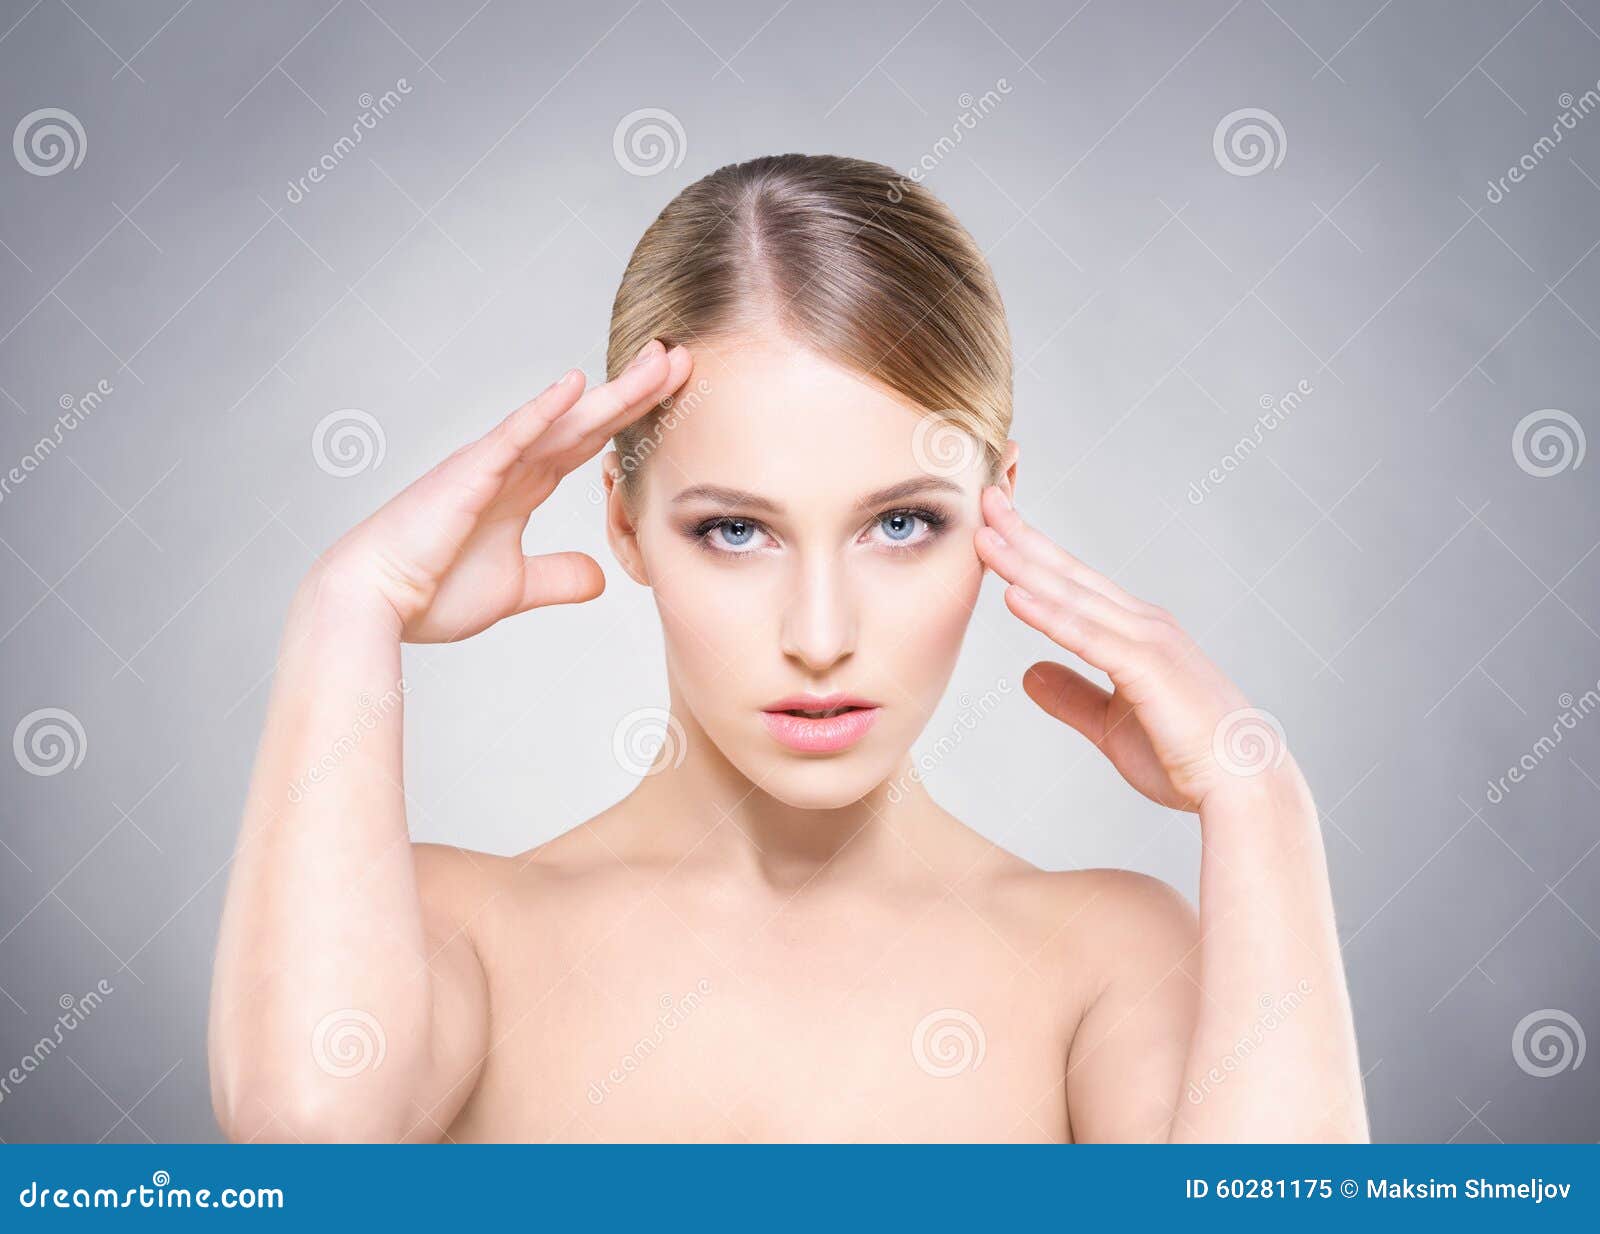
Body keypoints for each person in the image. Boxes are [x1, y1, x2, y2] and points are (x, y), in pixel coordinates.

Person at [207, 154, 1367, 1143]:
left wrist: (1257, 797)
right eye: (736, 529)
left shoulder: (1106, 955)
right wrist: (348, 609)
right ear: (623, 522)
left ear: (998, 507)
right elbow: (304, 1134)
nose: (821, 638)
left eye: (901, 524)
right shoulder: (453, 930)